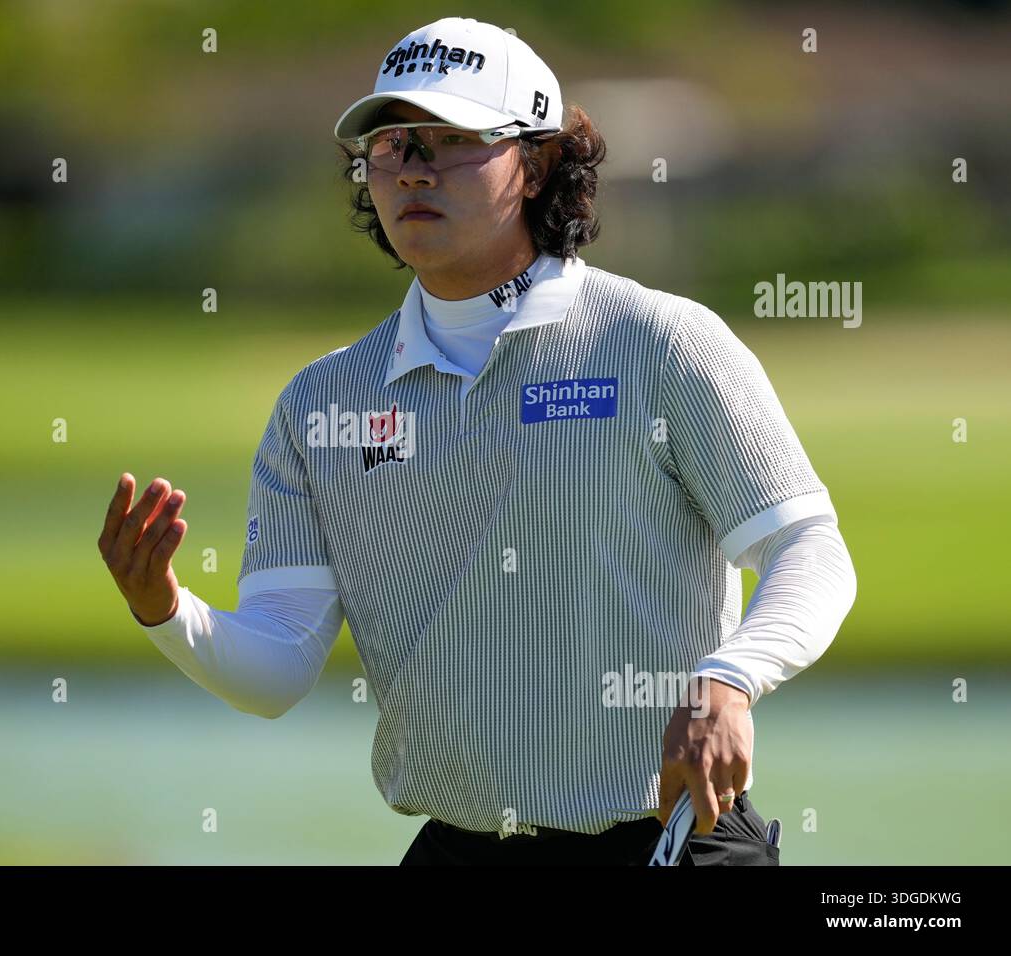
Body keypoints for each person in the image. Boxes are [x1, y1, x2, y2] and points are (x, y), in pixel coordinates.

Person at [97, 16, 857, 865]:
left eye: (452, 140)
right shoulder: (320, 404)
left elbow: (809, 546)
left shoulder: (662, 343)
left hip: (670, 844)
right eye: (393, 146)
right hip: (456, 849)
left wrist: (731, 677)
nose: (414, 168)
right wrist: (164, 607)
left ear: (533, 165)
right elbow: (276, 667)